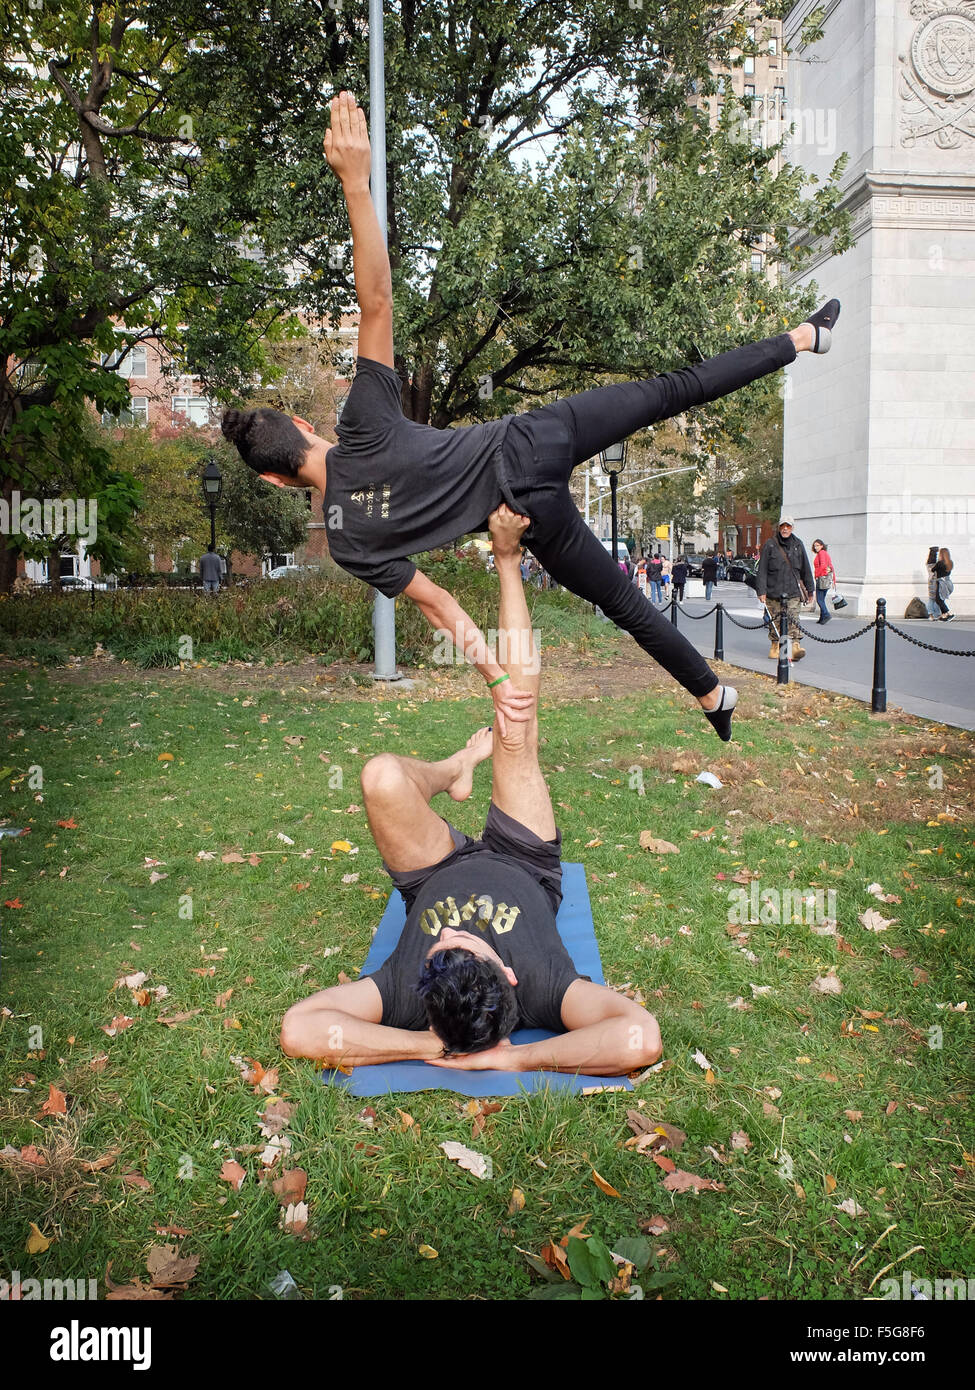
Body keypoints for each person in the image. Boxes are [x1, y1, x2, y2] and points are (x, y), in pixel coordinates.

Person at [222, 91, 841, 744]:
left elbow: (440, 607)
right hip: (539, 437)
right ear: (305, 427)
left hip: (523, 512)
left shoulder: (348, 541)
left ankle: (713, 695)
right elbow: (375, 300)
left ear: (275, 482)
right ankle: (802, 338)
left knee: (623, 603)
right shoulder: (363, 421)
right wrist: (354, 182)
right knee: (674, 390)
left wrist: (495, 677)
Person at [279, 505, 663, 1075]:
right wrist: (517, 1060)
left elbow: (298, 1028)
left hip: (433, 871)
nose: (455, 929)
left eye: (442, 946)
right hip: (524, 863)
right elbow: (639, 1040)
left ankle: (458, 766)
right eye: (468, 943)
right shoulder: (544, 987)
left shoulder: (411, 997)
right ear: (508, 975)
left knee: (379, 775)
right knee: (515, 724)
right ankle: (508, 558)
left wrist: (427, 1046)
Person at [757, 515, 813, 662]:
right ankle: (776, 646)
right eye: (783, 526)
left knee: (793, 619)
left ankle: (794, 647)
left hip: (793, 591)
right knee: (774, 622)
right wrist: (761, 591)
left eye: (788, 526)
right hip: (773, 591)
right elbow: (762, 569)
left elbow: (806, 569)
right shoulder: (770, 544)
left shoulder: (798, 544)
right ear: (779, 527)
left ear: (792, 528)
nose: (785, 529)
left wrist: (810, 590)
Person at [811, 538, 835, 624]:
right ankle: (822, 618)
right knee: (822, 599)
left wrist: (818, 575)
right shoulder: (824, 553)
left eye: (817, 545)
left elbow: (823, 565)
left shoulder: (821, 553)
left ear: (822, 546)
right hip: (826, 579)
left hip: (821, 579)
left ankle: (826, 614)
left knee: (819, 600)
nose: (816, 547)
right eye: (814, 545)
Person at [933, 547, 954, 621]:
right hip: (948, 582)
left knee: (938, 599)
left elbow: (933, 569)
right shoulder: (950, 562)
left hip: (942, 583)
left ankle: (948, 613)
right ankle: (944, 615)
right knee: (941, 599)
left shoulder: (940, 563)